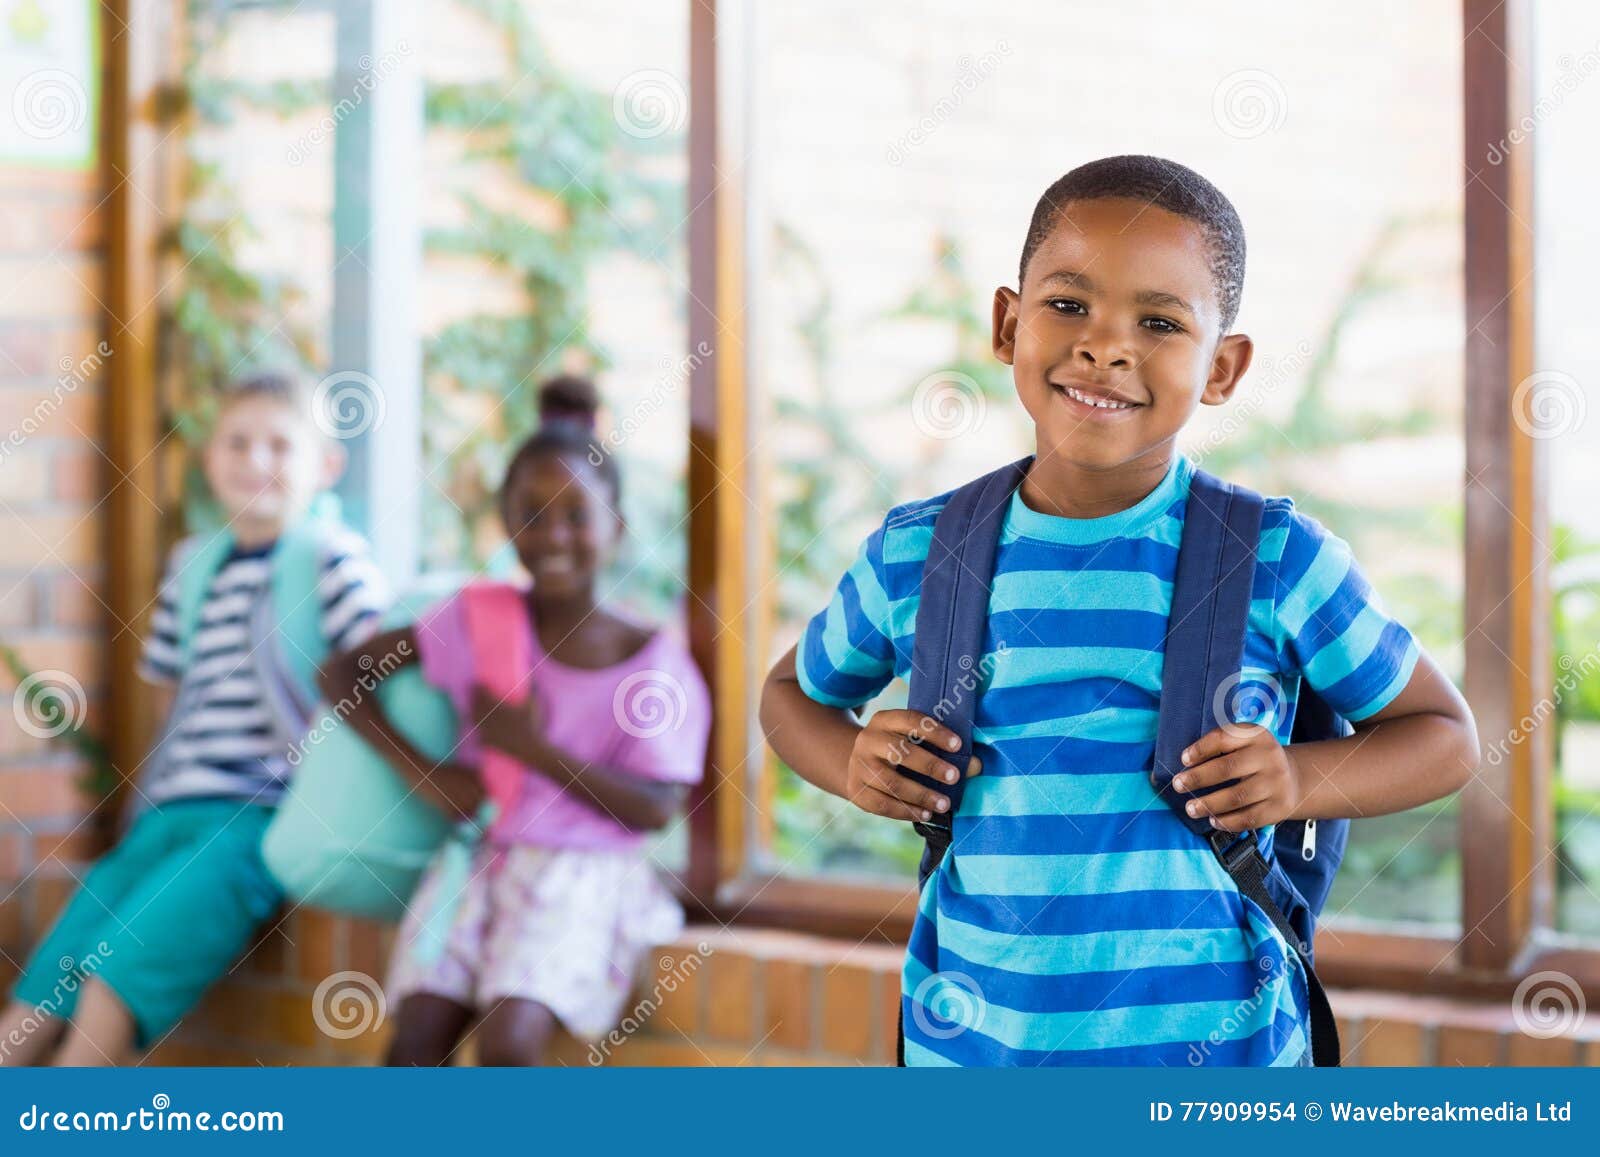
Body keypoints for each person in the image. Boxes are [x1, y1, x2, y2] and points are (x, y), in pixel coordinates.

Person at [759, 155, 1479, 1067]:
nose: (1106, 344)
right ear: (1007, 322)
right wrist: (849, 761)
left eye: (1159, 321)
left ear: (1223, 368)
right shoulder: (919, 552)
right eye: (1069, 305)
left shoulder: (1276, 559)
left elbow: (1445, 735)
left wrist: (1299, 779)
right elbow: (789, 694)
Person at [0, 370, 387, 1065]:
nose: (256, 461)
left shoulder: (332, 560)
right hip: (169, 813)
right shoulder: (193, 566)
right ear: (210, 460)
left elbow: (379, 667)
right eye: (237, 443)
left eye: (280, 445)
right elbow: (166, 692)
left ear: (326, 465)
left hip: (257, 817)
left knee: (111, 983)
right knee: (47, 984)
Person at [324, 375, 710, 1067]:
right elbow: (342, 672)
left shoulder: (653, 661)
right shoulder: (478, 620)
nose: (553, 534)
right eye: (532, 515)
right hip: (478, 862)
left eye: (575, 515)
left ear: (615, 527)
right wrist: (427, 773)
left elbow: (657, 808)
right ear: (507, 526)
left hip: (583, 874)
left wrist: (534, 749)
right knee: (413, 1043)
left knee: (510, 1045)